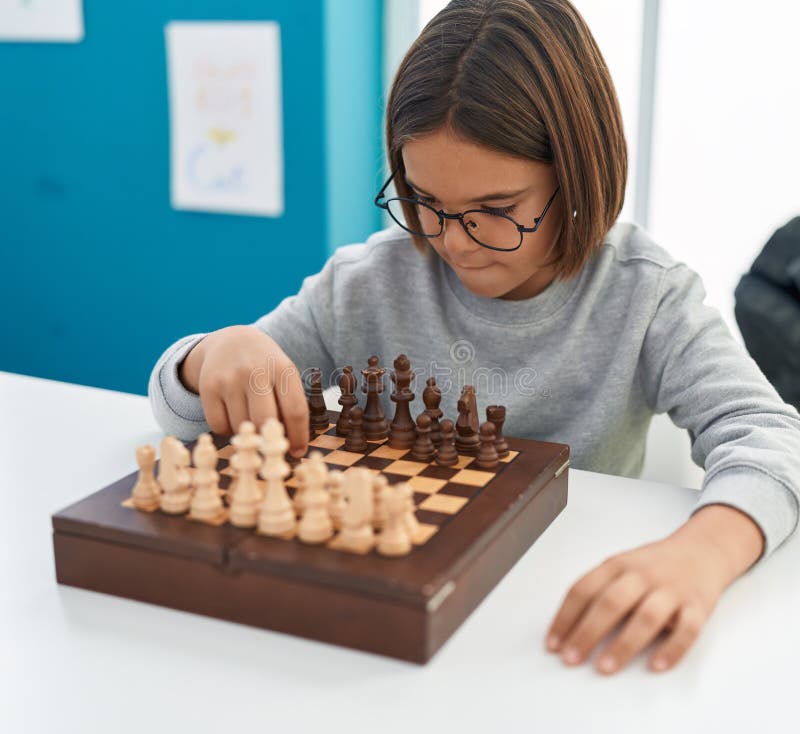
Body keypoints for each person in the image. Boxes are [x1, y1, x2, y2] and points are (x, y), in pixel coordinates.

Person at [148, 0, 800, 675]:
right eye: (425, 201)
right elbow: (186, 410)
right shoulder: (366, 285)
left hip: (556, 618)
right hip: (384, 616)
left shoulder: (646, 296)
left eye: (495, 210)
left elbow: (773, 437)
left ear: (577, 172)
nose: (452, 241)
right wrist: (210, 355)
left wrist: (703, 553)